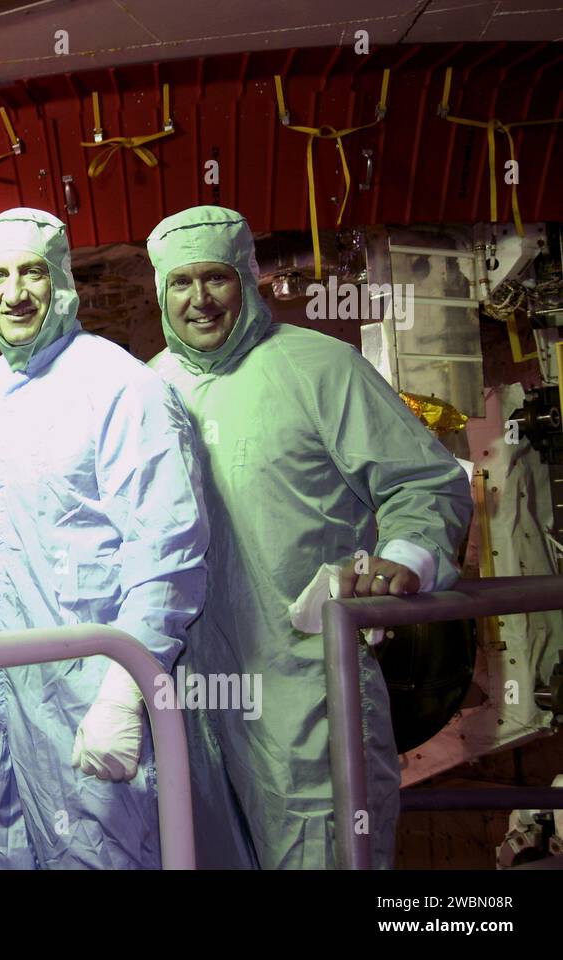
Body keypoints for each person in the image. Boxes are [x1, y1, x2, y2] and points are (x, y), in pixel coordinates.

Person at [145, 205, 473, 869]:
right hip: (191, 705)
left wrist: (402, 560)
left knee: (322, 849)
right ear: (160, 293)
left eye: (217, 278)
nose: (199, 300)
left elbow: (426, 483)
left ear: (248, 278)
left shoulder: (322, 369)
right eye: (180, 283)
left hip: (307, 696)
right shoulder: (148, 390)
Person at [0, 208, 209, 869]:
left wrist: (124, 689)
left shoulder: (121, 389)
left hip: (84, 702)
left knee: (98, 855)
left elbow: (166, 554)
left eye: (32, 273)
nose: (13, 293)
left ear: (61, 280)